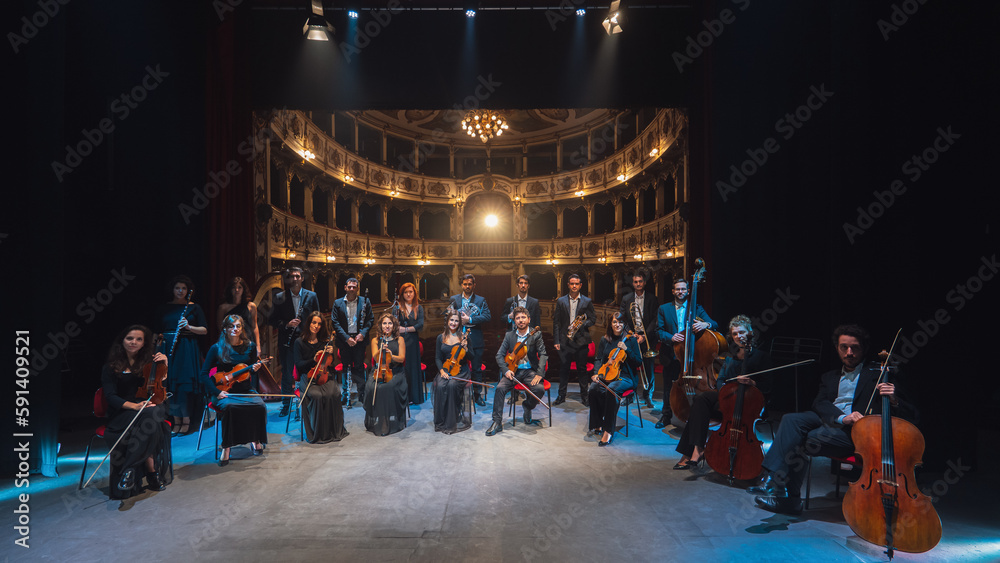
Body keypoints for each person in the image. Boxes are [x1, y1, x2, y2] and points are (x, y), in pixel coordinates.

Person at [749, 324, 914, 515]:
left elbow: (912, 414)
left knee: (800, 439)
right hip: (833, 422)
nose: (849, 352)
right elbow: (819, 404)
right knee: (791, 420)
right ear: (837, 348)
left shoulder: (878, 375)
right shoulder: (829, 377)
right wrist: (842, 417)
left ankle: (788, 498)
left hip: (855, 435)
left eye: (855, 348)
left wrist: (893, 399)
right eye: (844, 347)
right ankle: (772, 480)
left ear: (863, 349)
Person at [674, 315, 770, 470]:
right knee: (702, 399)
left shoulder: (761, 357)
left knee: (699, 410)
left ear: (750, 332)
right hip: (729, 401)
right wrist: (728, 388)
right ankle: (698, 448)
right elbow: (721, 381)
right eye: (735, 334)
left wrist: (753, 383)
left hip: (749, 406)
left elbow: (769, 386)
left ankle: (689, 453)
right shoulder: (730, 358)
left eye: (742, 332)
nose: (739, 336)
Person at [101, 325, 172, 499]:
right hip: (124, 410)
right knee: (150, 422)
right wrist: (134, 406)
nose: (134, 342)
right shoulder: (110, 367)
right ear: (122, 340)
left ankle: (128, 470)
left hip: (149, 405)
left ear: (144, 343)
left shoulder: (150, 362)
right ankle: (151, 472)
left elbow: (159, 386)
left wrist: (165, 365)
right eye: (130, 338)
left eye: (139, 339)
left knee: (152, 413)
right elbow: (110, 396)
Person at [203, 315, 269, 466]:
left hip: (245, 390)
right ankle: (226, 447)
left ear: (242, 328)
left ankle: (255, 439)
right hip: (223, 391)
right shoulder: (217, 348)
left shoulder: (250, 347)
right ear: (225, 329)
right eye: (231, 326)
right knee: (230, 407)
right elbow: (203, 374)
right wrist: (216, 392)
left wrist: (255, 369)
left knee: (259, 406)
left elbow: (249, 372)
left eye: (238, 326)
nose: (235, 329)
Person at [654, 276, 718, 428]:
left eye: (683, 289)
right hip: (671, 353)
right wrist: (671, 337)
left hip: (692, 356)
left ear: (688, 291)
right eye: (678, 289)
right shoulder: (664, 309)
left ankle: (695, 414)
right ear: (673, 291)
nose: (680, 291)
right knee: (669, 386)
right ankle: (666, 415)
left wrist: (705, 324)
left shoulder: (696, 307)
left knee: (696, 386)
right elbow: (658, 331)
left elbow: (714, 324)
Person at [154, 275, 207, 435]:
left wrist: (189, 326)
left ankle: (186, 421)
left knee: (184, 386)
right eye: (177, 288)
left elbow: (204, 330)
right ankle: (175, 421)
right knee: (171, 385)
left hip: (186, 348)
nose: (180, 291)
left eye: (184, 288)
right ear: (173, 289)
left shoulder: (194, 308)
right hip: (167, 347)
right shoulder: (164, 308)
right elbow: (156, 331)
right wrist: (155, 350)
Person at [488, 307, 548, 436]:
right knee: (499, 388)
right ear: (514, 321)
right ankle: (497, 422)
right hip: (513, 371)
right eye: (517, 318)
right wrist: (505, 371)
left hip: (529, 371)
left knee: (539, 389)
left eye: (523, 317)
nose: (520, 320)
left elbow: (543, 354)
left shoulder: (535, 334)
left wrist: (539, 373)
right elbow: (499, 355)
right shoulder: (510, 335)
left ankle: (527, 406)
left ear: (528, 319)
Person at [269, 267, 319, 416]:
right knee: (287, 373)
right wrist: (287, 324)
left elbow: (317, 317)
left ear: (302, 278)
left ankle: (310, 401)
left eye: (298, 276)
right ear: (289, 279)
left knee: (308, 371)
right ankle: (286, 404)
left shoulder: (311, 296)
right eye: (292, 277)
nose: (295, 279)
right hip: (288, 341)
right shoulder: (279, 297)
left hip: (306, 341)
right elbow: (272, 320)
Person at [293, 311, 348, 444]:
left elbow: (331, 363)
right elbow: (299, 365)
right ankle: (318, 433)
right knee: (317, 396)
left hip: (323, 375)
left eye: (319, 324)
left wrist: (331, 353)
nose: (316, 326)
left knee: (333, 393)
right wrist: (313, 359)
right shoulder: (299, 342)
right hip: (308, 376)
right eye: (314, 323)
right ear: (309, 323)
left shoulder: (325, 341)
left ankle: (332, 431)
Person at [588, 312, 642, 446]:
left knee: (611, 391)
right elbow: (599, 359)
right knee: (593, 389)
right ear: (610, 324)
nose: (617, 325)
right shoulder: (605, 339)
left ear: (624, 324)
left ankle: (608, 430)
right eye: (614, 322)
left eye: (620, 322)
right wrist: (596, 373)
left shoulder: (631, 340)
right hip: (607, 375)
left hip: (626, 377)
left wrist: (627, 349)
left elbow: (638, 362)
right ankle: (597, 423)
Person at [552, 273, 596, 406]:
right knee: (564, 369)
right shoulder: (561, 301)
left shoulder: (587, 301)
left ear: (580, 285)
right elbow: (556, 323)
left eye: (577, 283)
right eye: (572, 283)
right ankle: (561, 396)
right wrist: (556, 341)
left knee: (582, 370)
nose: (574, 286)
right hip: (565, 341)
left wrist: (581, 324)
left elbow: (593, 319)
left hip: (581, 340)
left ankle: (585, 396)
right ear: (568, 285)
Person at [449, 274, 492, 407]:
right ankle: (458, 395)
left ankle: (478, 396)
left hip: (476, 339)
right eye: (465, 284)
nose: (467, 286)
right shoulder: (454, 299)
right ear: (461, 285)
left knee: (477, 369)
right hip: (457, 339)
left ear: (474, 285)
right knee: (458, 369)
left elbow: (487, 316)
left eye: (470, 284)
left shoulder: (480, 300)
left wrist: (470, 320)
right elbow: (448, 317)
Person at [363, 312, 408, 436]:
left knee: (386, 387)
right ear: (380, 325)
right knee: (372, 387)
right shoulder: (375, 340)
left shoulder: (400, 339)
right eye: (384, 323)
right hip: (379, 369)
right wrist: (381, 349)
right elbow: (375, 358)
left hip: (396, 371)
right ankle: (380, 417)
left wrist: (391, 355)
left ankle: (386, 420)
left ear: (394, 326)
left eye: (390, 323)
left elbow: (402, 358)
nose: (387, 326)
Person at [331, 277, 374, 406]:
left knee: (359, 367)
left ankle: (361, 393)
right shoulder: (338, 303)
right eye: (349, 287)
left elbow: (370, 320)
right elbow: (335, 322)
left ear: (357, 289)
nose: (351, 289)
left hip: (359, 339)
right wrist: (346, 338)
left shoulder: (365, 301)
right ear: (345, 287)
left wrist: (362, 334)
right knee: (345, 368)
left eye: (354, 287)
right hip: (344, 341)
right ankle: (345, 395)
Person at [619, 269, 658, 409]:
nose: (638, 284)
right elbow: (622, 318)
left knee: (648, 368)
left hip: (647, 337)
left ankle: (648, 396)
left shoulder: (652, 299)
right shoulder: (626, 298)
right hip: (632, 336)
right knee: (631, 368)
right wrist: (631, 333)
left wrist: (644, 335)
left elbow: (655, 319)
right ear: (633, 283)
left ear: (644, 282)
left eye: (640, 281)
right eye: (635, 282)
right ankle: (629, 395)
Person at [433, 309, 472, 434]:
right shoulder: (441, 337)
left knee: (451, 385)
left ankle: (452, 421)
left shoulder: (464, 337)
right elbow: (438, 358)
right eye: (452, 320)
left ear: (459, 323)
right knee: (439, 385)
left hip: (461, 370)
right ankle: (440, 422)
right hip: (446, 369)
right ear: (447, 321)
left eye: (456, 321)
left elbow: (473, 357)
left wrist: (466, 348)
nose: (454, 323)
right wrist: (441, 372)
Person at [218, 276, 261, 357]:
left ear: (244, 289)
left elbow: (254, 326)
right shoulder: (223, 307)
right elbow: (221, 328)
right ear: (230, 289)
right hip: (230, 342)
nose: (237, 290)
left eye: (239, 287)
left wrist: (258, 346)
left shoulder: (251, 306)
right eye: (234, 287)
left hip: (247, 340)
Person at [397, 282, 425, 405]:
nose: (408, 294)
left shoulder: (419, 308)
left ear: (414, 293)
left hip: (413, 341)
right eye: (406, 292)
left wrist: (406, 329)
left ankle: (415, 396)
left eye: (410, 292)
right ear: (402, 294)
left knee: (413, 368)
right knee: (404, 368)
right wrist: (402, 329)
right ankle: (404, 397)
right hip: (401, 341)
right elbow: (394, 324)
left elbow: (420, 325)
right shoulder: (397, 307)